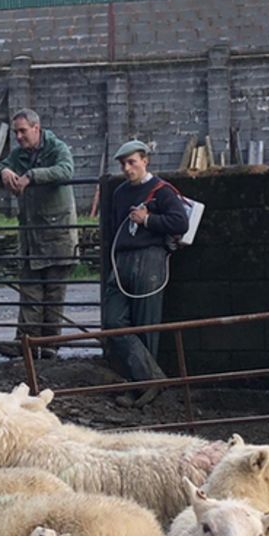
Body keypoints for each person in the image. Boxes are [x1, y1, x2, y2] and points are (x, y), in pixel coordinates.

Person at [102, 140, 189, 407]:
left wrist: (148, 220)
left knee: (146, 323)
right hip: (123, 259)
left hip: (150, 258)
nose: (128, 168)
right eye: (123, 164)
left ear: (145, 161)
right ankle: (151, 379)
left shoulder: (162, 191)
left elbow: (180, 222)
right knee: (113, 320)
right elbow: (113, 227)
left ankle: (141, 387)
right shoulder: (119, 193)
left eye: (132, 162)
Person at [0, 108, 78, 358]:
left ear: (36, 129)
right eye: (15, 132)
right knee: (30, 291)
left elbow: (66, 170)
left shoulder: (57, 148)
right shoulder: (19, 154)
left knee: (53, 292)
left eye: (22, 131)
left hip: (58, 232)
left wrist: (33, 175)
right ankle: (26, 343)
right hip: (31, 234)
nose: (18, 136)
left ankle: (50, 345)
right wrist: (4, 172)